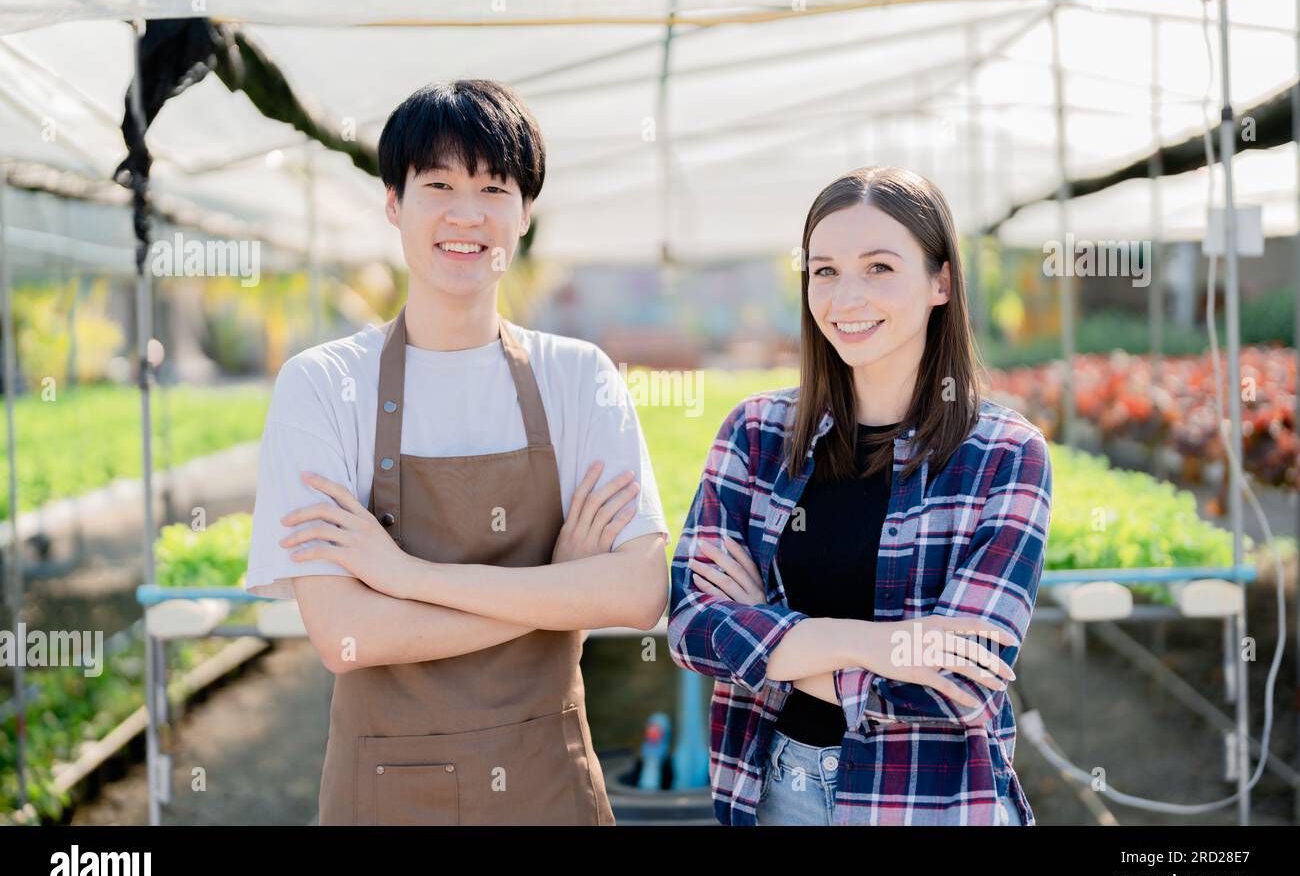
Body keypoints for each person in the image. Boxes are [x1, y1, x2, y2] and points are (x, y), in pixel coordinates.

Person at [244, 79, 670, 825]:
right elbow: (348, 637)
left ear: (525, 212)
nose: (466, 214)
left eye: (494, 188)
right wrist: (560, 588)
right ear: (393, 203)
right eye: (438, 183)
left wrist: (405, 576)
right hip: (384, 792)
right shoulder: (324, 385)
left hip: (549, 786)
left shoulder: (578, 377)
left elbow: (637, 594)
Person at [667, 166, 1052, 825]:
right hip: (776, 790)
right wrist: (883, 648)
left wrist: (765, 631)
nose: (846, 296)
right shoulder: (757, 434)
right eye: (825, 270)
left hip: (935, 801)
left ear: (941, 282)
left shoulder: (1003, 455)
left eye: (879, 268)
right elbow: (691, 628)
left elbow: (959, 686)